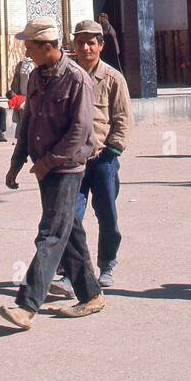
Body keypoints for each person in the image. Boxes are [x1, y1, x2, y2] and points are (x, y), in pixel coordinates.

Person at [0, 18, 104, 330]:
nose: (26, 51)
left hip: (66, 167)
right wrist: (16, 163)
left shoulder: (76, 79)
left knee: (51, 233)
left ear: (48, 47)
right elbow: (28, 120)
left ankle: (27, 304)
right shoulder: (35, 76)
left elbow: (80, 132)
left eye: (30, 46)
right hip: (43, 167)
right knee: (68, 229)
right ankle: (92, 294)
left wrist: (49, 162)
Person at [54, 19, 133, 290]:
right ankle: (72, 272)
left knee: (107, 215)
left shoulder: (113, 78)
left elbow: (123, 119)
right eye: (80, 42)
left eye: (91, 42)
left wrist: (112, 150)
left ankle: (107, 263)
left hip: (103, 161)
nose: (86, 47)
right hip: (72, 162)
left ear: (101, 45)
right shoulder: (67, 75)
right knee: (70, 216)